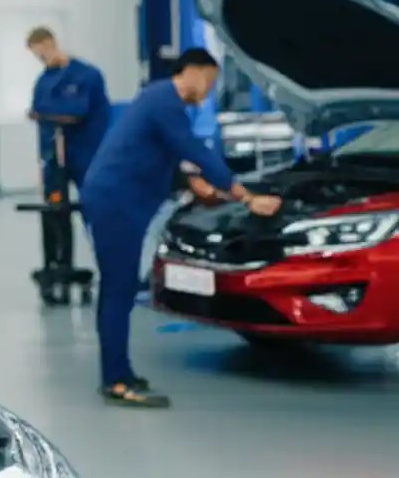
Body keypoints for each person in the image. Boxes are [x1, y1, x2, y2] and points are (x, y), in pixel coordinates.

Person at [80, 48, 281, 408]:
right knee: (118, 289)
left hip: (117, 199)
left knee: (119, 289)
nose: (209, 90)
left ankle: (118, 371)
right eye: (210, 80)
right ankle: (115, 380)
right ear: (193, 70)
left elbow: (161, 152)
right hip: (116, 203)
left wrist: (192, 183)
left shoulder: (157, 99)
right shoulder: (164, 101)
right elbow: (193, 149)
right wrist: (246, 197)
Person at [26, 27, 110, 189]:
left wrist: (47, 114)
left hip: (87, 152)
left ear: (50, 43)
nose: (42, 60)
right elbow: (36, 112)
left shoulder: (87, 75)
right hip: (54, 156)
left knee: (93, 200)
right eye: (38, 57)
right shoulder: (44, 81)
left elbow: (76, 113)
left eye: (43, 55)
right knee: (54, 204)